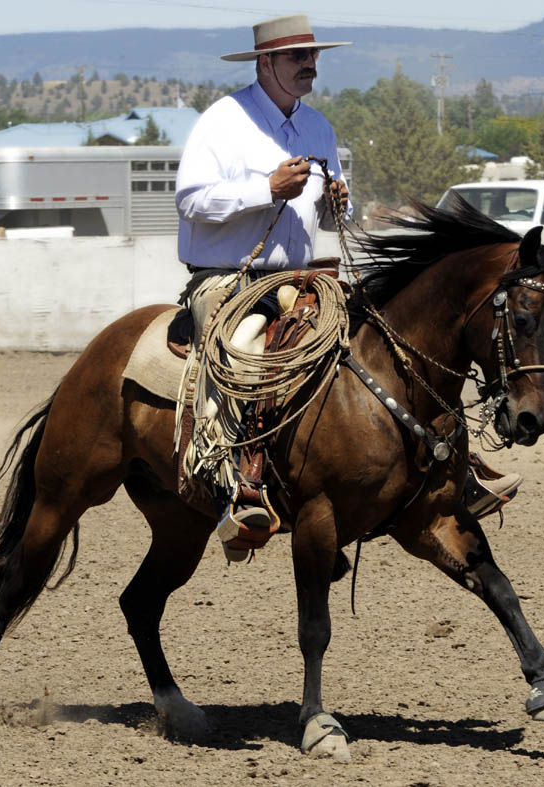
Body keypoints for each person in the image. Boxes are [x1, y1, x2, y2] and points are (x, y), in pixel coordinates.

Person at [175, 14, 518, 554]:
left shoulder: (318, 127)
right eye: (298, 58)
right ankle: (235, 486)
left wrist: (339, 206)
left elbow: (336, 214)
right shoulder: (222, 121)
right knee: (243, 352)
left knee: (394, 340)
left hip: (305, 277)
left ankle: (452, 469)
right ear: (265, 63)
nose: (311, 65)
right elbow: (190, 200)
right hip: (229, 279)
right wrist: (267, 187)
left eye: (313, 57)